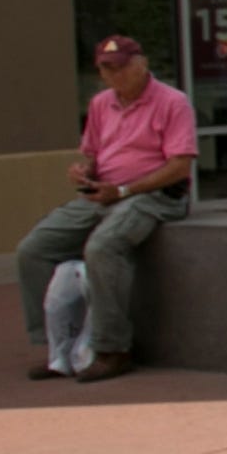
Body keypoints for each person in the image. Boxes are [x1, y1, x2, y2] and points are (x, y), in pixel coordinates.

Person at [16, 35, 193, 384]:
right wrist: (85, 172)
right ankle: (56, 346)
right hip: (102, 193)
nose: (117, 75)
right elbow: (93, 154)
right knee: (33, 249)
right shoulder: (100, 104)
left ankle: (112, 348)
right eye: (107, 69)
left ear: (141, 63)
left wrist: (125, 190)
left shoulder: (172, 102)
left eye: (124, 66)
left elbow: (180, 165)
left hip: (152, 193)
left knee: (103, 246)